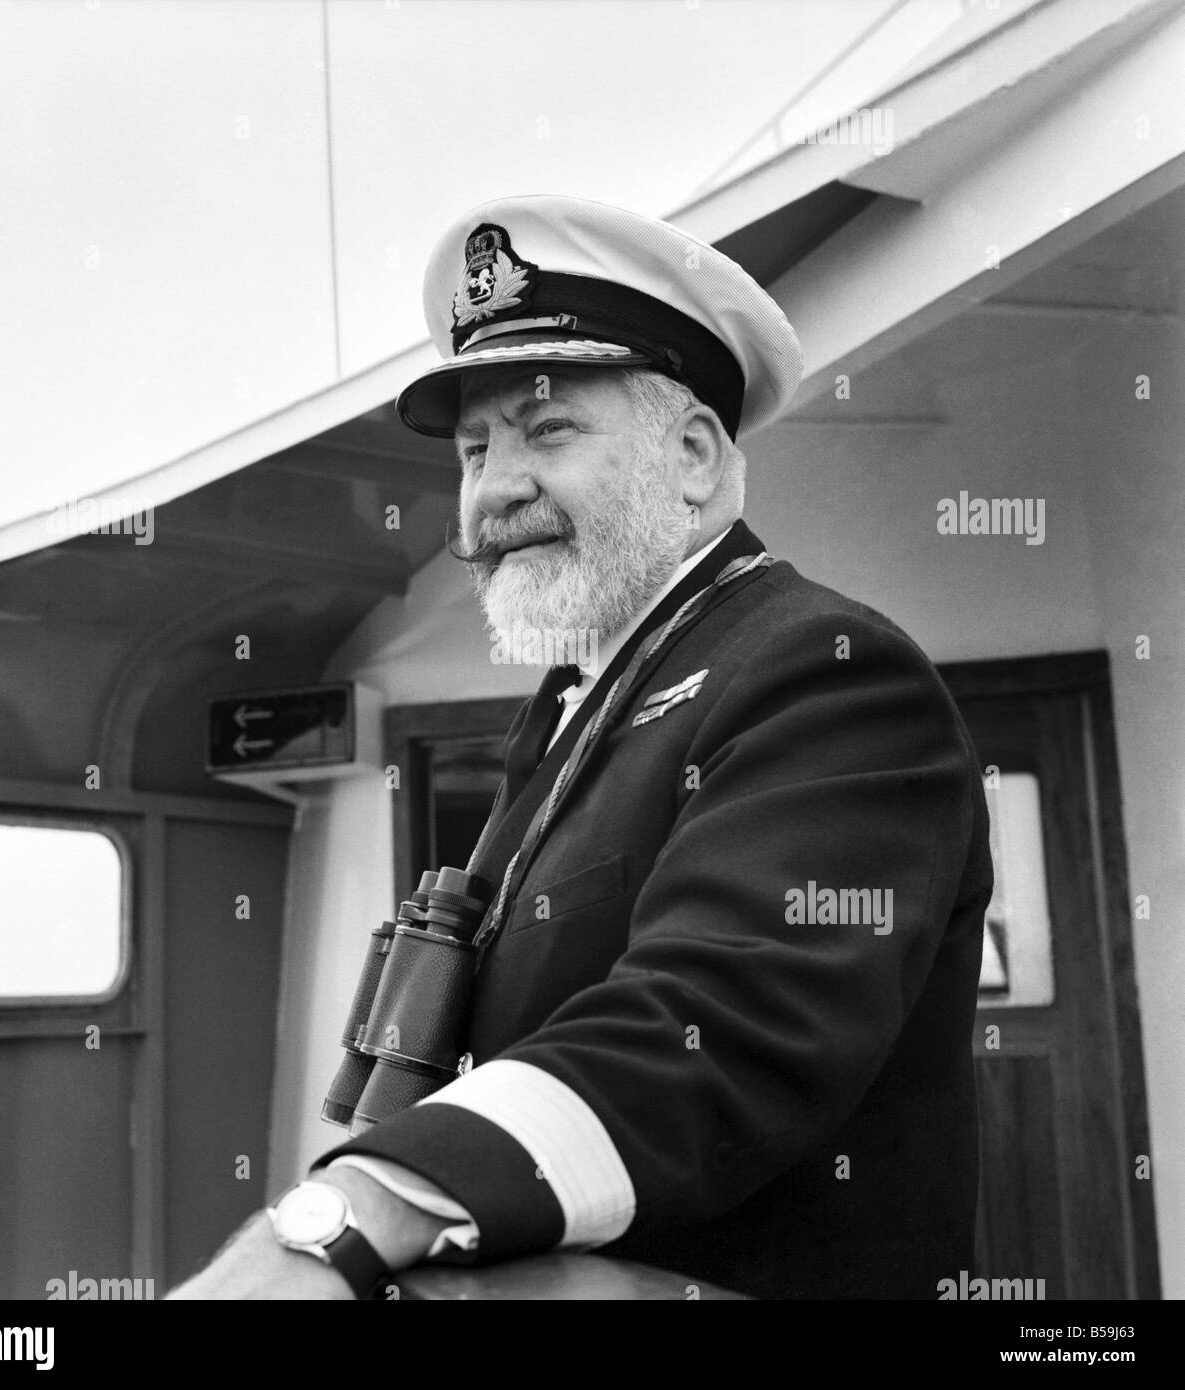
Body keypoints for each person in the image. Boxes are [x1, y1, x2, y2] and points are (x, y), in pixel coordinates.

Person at [169, 194, 992, 1301]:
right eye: (474, 449)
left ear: (694, 457)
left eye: (547, 430)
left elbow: (718, 1023)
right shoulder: (574, 705)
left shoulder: (828, 670)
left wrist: (354, 1213)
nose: (495, 490)